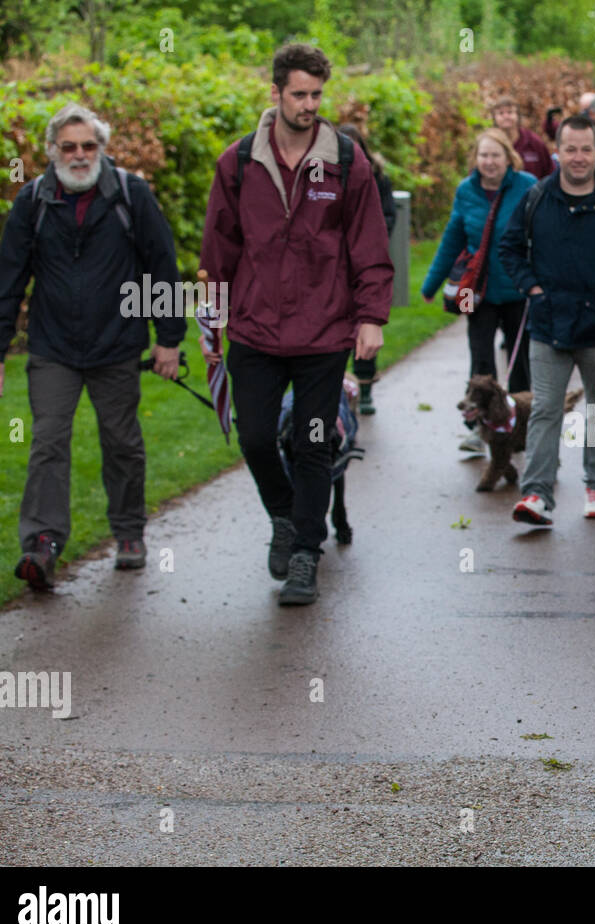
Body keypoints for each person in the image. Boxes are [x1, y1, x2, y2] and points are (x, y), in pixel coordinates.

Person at [199, 43, 393, 606]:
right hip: (255, 328)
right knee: (257, 436)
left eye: (316, 95)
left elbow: (369, 244)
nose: (309, 105)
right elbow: (219, 247)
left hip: (324, 329)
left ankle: (306, 554)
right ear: (276, 92)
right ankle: (284, 516)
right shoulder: (237, 162)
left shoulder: (346, 160)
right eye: (299, 94)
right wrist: (212, 322)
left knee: (312, 442)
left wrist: (371, 316)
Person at [0, 103, 184, 589]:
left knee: (122, 442)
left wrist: (170, 340)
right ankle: (42, 546)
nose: (78, 155)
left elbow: (162, 267)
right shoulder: (33, 201)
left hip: (117, 345)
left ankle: (129, 533)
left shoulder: (131, 194)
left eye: (88, 146)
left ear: (102, 149)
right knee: (48, 443)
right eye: (68, 147)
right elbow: (8, 279)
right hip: (53, 349)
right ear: (52, 151)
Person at [499, 114, 595, 526]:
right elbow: (509, 248)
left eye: (586, 149)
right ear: (557, 151)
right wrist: (532, 288)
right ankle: (536, 494)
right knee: (545, 409)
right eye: (570, 149)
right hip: (549, 325)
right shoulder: (536, 199)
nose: (578, 158)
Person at [421, 128, 537, 454]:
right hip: (477, 290)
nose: (489, 162)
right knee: (480, 360)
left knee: (520, 362)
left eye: (495, 155)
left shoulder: (527, 186)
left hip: (517, 288)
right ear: (476, 159)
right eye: (483, 156)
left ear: (508, 158)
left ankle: (518, 425)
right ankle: (477, 427)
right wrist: (432, 283)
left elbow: (541, 231)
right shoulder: (466, 190)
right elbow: (452, 238)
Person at [337, 123, 396, 416]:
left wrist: (368, 237)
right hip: (334, 268)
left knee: (366, 325)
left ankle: (365, 385)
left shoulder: (376, 177)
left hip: (362, 266)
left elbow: (387, 215)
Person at [491, 95, 554, 181]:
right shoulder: (488, 144)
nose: (506, 116)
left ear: (518, 115)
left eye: (510, 112)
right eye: (501, 113)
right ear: (494, 118)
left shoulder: (534, 142)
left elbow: (550, 173)